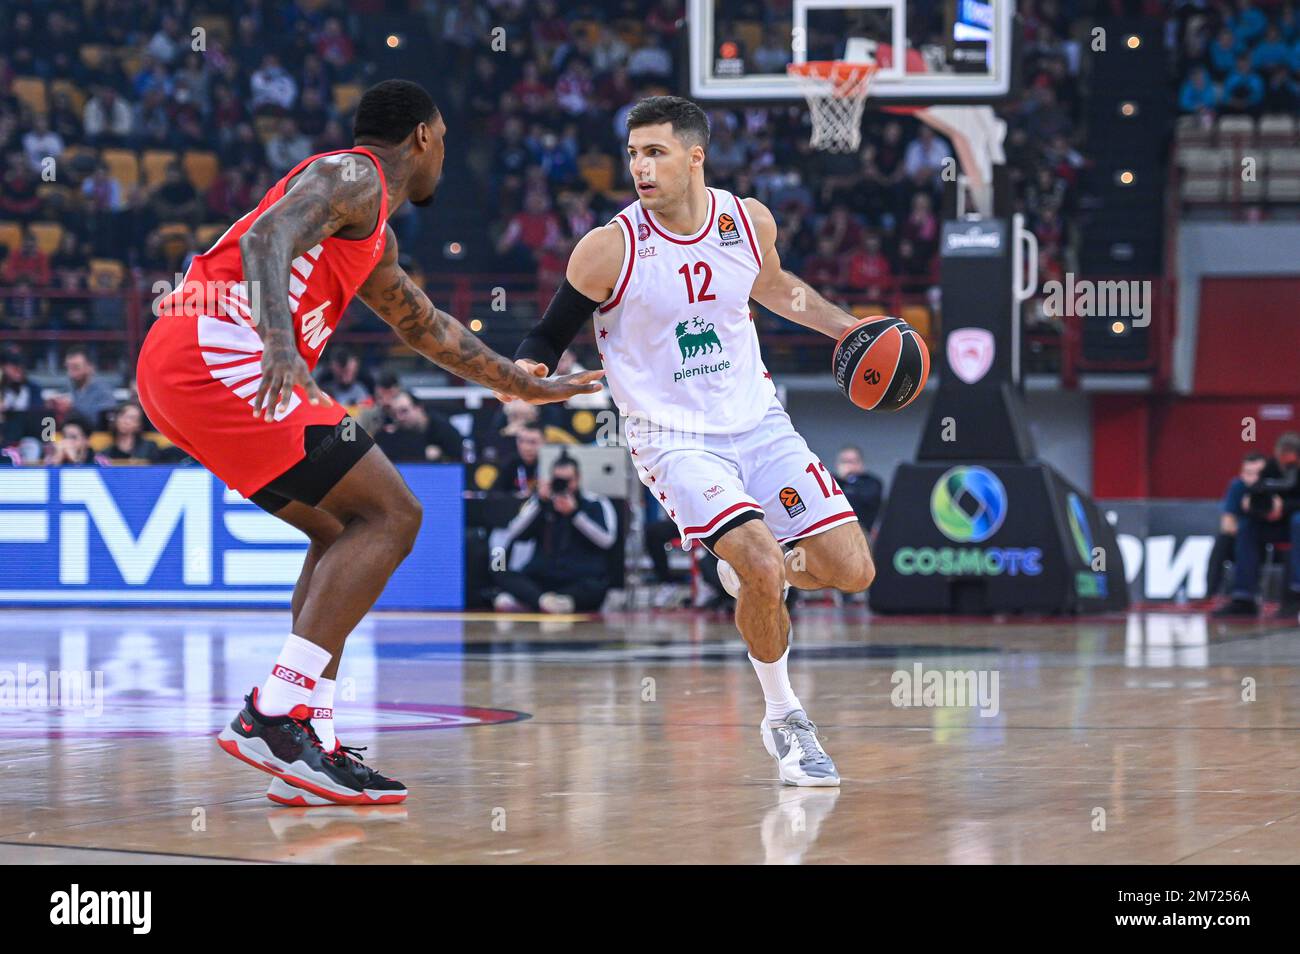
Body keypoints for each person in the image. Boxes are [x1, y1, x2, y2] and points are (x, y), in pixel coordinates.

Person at [134, 80, 602, 806]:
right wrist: (280, 343)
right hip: (219, 352)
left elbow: (428, 328)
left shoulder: (373, 236)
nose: (445, 152)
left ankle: (305, 742)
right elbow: (265, 237)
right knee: (395, 516)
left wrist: (522, 382)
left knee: (338, 530)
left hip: (192, 367)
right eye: (443, 137)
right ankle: (275, 714)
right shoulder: (352, 174)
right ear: (422, 136)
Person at [505, 96, 876, 786]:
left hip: (759, 420)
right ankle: (785, 719)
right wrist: (527, 375)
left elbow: (778, 290)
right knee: (763, 560)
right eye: (633, 154)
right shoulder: (610, 246)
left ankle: (753, 575)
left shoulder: (746, 219)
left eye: (656, 152)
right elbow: (547, 336)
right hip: (671, 435)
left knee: (853, 571)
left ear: (694, 155)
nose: (641, 167)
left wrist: (849, 330)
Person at [493, 455, 617, 613]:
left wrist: (575, 514)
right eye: (558, 480)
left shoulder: (595, 502)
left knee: (597, 586)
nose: (563, 485)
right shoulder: (540, 503)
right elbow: (513, 532)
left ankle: (542, 601)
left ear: (578, 479)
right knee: (501, 571)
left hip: (579, 577)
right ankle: (542, 600)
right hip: (543, 576)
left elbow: (607, 541)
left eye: (568, 480)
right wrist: (539, 502)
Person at [1216, 434, 1300, 617]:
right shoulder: (1270, 468)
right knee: (1246, 527)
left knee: (1298, 521)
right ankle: (1243, 598)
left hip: (1294, 523)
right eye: (1282, 455)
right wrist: (1254, 504)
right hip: (1276, 524)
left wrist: (1284, 506)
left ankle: (1296, 593)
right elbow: (1257, 492)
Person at [1206, 453, 1266, 597]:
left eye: (1258, 474)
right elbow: (1227, 524)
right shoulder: (1237, 486)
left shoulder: (1273, 486)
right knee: (1223, 541)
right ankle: (1210, 594)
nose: (1253, 478)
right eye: (1248, 473)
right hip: (1243, 541)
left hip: (1269, 541)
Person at [374, 390, 463, 462]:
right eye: (394, 414)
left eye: (404, 411)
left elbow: (459, 459)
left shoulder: (444, 429)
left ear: (419, 408)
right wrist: (422, 453)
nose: (399, 417)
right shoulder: (396, 431)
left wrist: (441, 456)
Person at [56, 346, 117, 429]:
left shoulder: (104, 391)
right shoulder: (66, 388)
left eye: (75, 368)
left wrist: (72, 409)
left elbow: (104, 423)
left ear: (90, 367)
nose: (70, 373)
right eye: (68, 368)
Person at [833, 445, 884, 533]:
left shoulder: (872, 482)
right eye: (844, 461)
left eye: (852, 461)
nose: (848, 465)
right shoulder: (831, 481)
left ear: (861, 463)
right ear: (837, 464)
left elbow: (857, 502)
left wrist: (849, 480)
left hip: (861, 532)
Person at [491, 424, 543, 494]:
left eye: (532, 442)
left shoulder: (553, 464)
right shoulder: (510, 463)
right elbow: (495, 494)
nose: (526, 448)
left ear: (544, 443)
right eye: (521, 441)